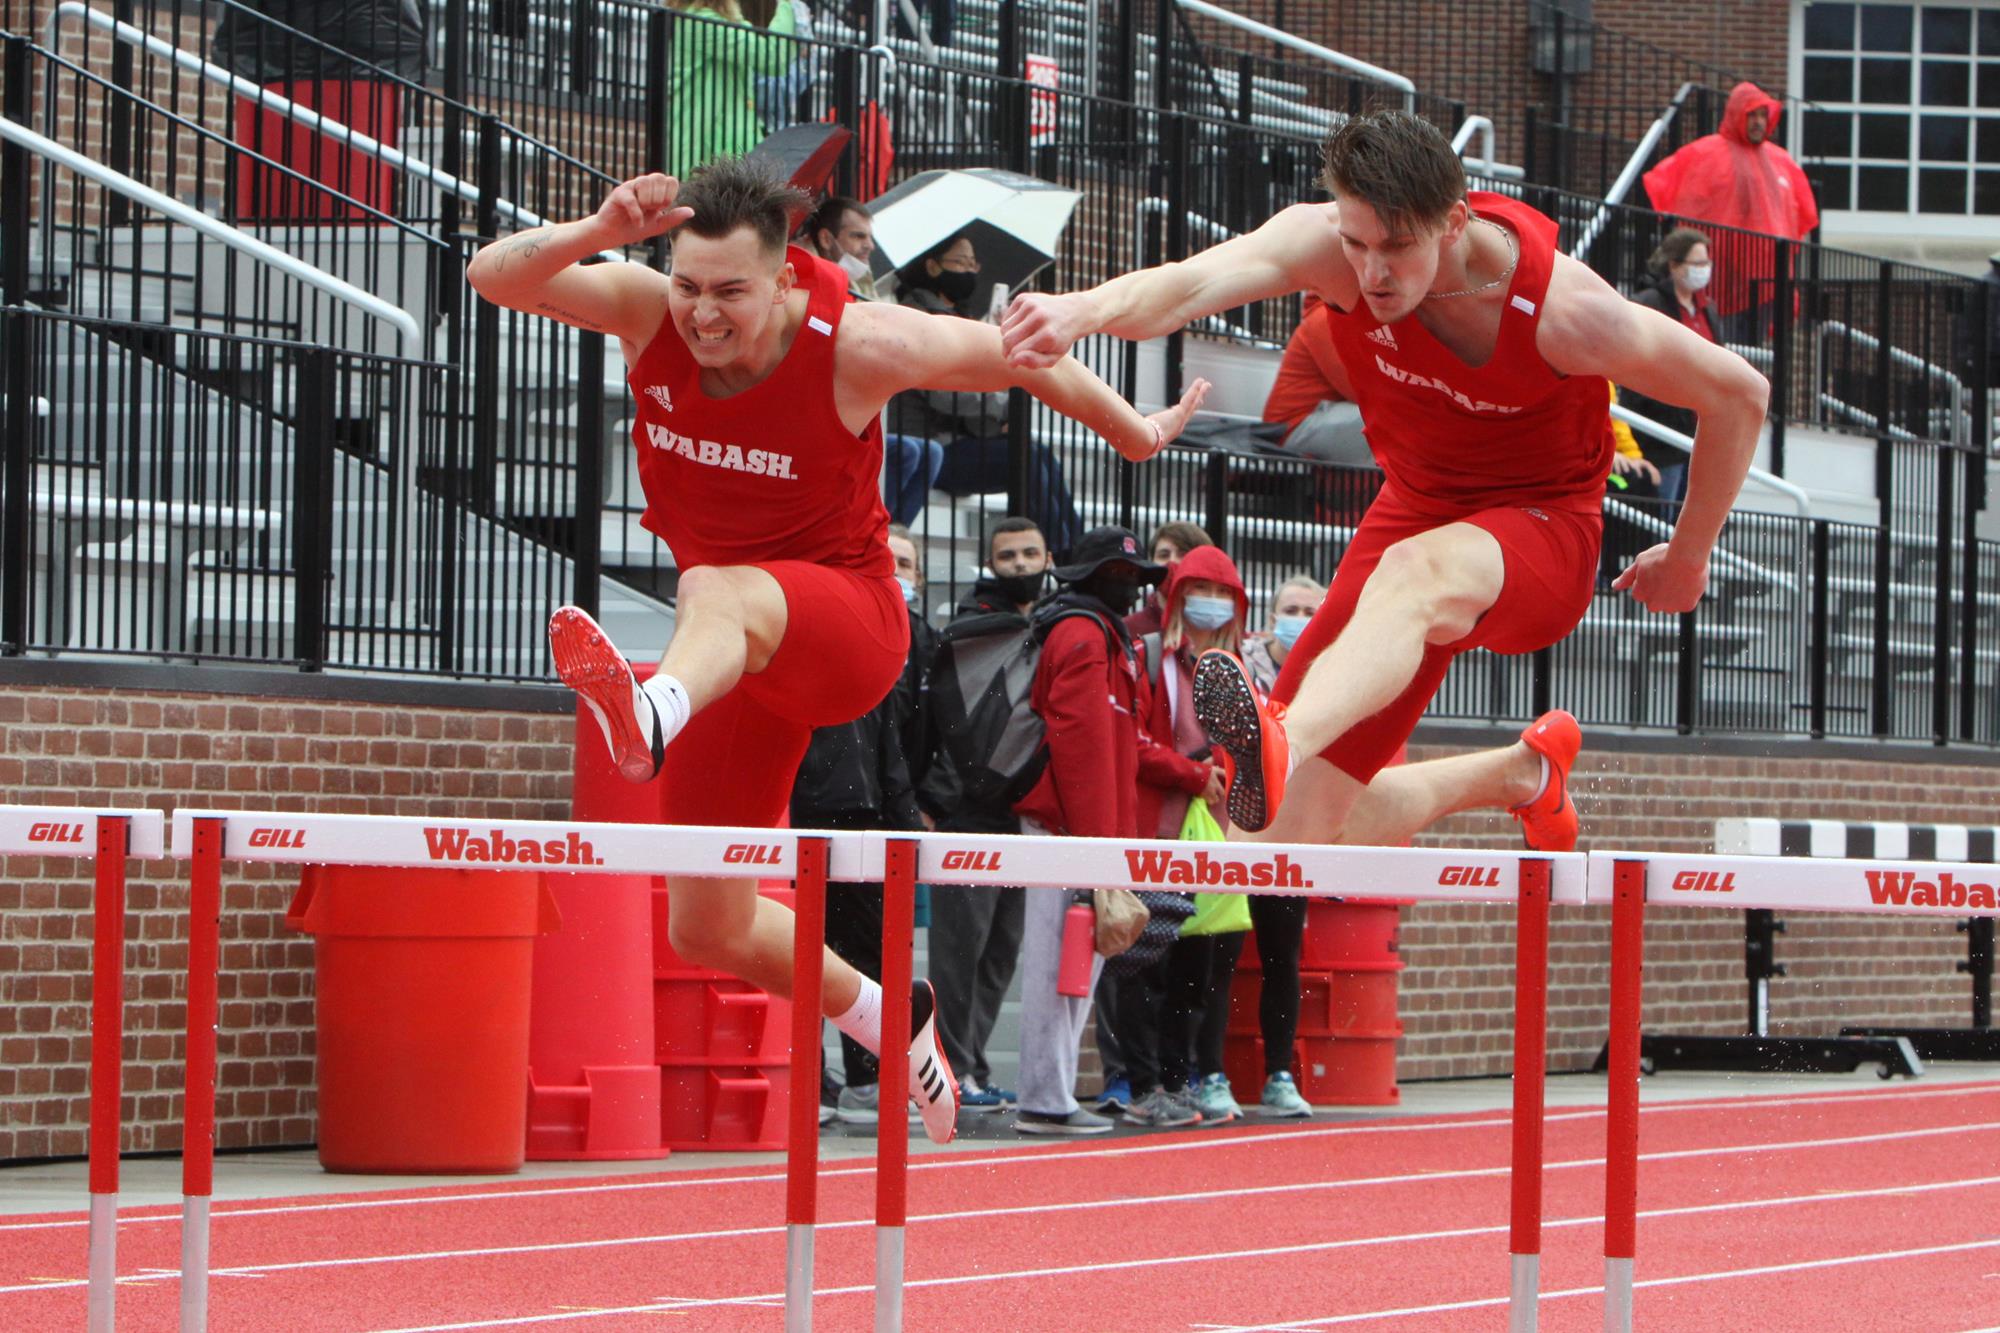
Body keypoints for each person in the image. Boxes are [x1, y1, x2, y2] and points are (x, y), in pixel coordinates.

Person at [466, 156, 1208, 1144]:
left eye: (730, 293)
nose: (703, 317)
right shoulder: (647, 312)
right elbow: (492, 276)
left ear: (784, 278)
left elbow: (1020, 352)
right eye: (688, 287)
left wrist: (1136, 433)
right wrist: (597, 230)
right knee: (708, 925)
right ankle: (885, 1016)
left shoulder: (859, 342)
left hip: (845, 629)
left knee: (712, 583)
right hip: (733, 659)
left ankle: (651, 709)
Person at [1002, 109, 1768, 853]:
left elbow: (1739, 394)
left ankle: (1284, 737)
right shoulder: (1324, 245)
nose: (1371, 272)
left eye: (1397, 247)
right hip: (1417, 511)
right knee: (1271, 835)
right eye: (1356, 242)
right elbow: (1186, 285)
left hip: (1542, 529)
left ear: (1454, 222)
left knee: (1408, 574)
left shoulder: (1563, 310)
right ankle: (1515, 775)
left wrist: (1689, 555)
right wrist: (1079, 309)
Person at [1011, 526, 1167, 1135]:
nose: (1128, 585)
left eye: (1134, 575)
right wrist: (1095, 844)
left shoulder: (1102, 633)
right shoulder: (1083, 633)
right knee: (1060, 969)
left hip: (1086, 831)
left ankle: (1050, 1094)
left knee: (1075, 965)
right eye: (1116, 574)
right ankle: (1045, 1099)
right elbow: (1079, 744)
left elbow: (1111, 746)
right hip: (1070, 831)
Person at [790, 525, 933, 1125]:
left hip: (865, 824)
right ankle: (810, 1078)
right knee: (800, 954)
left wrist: (906, 829)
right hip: (802, 825)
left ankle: (865, 1079)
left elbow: (889, 752)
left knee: (865, 956)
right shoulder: (793, 648)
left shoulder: (875, 657)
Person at [918, 517, 1051, 1113]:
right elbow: (950, 729)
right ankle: (949, 1071)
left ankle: (970, 1067)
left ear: (1048, 558)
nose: (1020, 564)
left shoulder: (1049, 626)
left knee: (1000, 953)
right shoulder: (969, 632)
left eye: (1030, 554)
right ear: (990, 563)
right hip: (965, 818)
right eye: (1008, 555)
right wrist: (939, 804)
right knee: (958, 956)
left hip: (1019, 816)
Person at [1122, 545, 1243, 1126]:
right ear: (1176, 596)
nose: (1212, 603)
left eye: (1224, 594)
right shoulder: (1148, 656)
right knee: (1148, 965)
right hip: (1157, 830)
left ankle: (1177, 1081)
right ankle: (1145, 1086)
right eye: (1201, 591)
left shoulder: (1237, 668)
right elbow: (1134, 743)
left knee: (1196, 969)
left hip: (1213, 833)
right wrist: (1194, 774)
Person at [893, 232, 1085, 554]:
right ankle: (1066, 553)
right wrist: (1004, 400)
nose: (969, 271)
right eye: (960, 262)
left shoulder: (960, 318)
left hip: (961, 443)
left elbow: (979, 386)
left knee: (1035, 452)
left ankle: (1076, 548)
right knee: (1027, 458)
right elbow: (947, 392)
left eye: (973, 264)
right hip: (931, 451)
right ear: (932, 266)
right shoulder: (916, 316)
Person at [1642, 83, 1818, 342]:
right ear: (1737, 115)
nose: (1759, 122)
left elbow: (1797, 213)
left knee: (1750, 347)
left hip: (1766, 281)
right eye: (1751, 114)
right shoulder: (1706, 153)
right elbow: (1678, 195)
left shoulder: (1780, 160)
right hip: (1723, 277)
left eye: (1763, 115)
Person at [1617, 228, 1717, 507]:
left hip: (1699, 430)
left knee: (1693, 507)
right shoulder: (1650, 302)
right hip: (1662, 430)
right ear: (1674, 265)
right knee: (1663, 508)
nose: (1704, 269)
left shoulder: (1707, 309)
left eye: (1706, 263)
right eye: (1697, 263)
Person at [661, 0, 800, 178]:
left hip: (723, 142)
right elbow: (773, 57)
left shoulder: (715, 20)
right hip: (705, 144)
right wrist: (787, 5)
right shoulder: (702, 21)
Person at [1262, 296, 1370, 466]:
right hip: (1292, 429)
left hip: (1318, 419)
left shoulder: (1343, 316)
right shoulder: (1325, 318)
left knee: (1394, 420)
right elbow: (1361, 391)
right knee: (1388, 423)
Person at [1124, 520, 1211, 638]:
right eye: (1164, 555)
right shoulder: (1128, 630)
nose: (1172, 561)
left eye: (1183, 554)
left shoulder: (1219, 630)